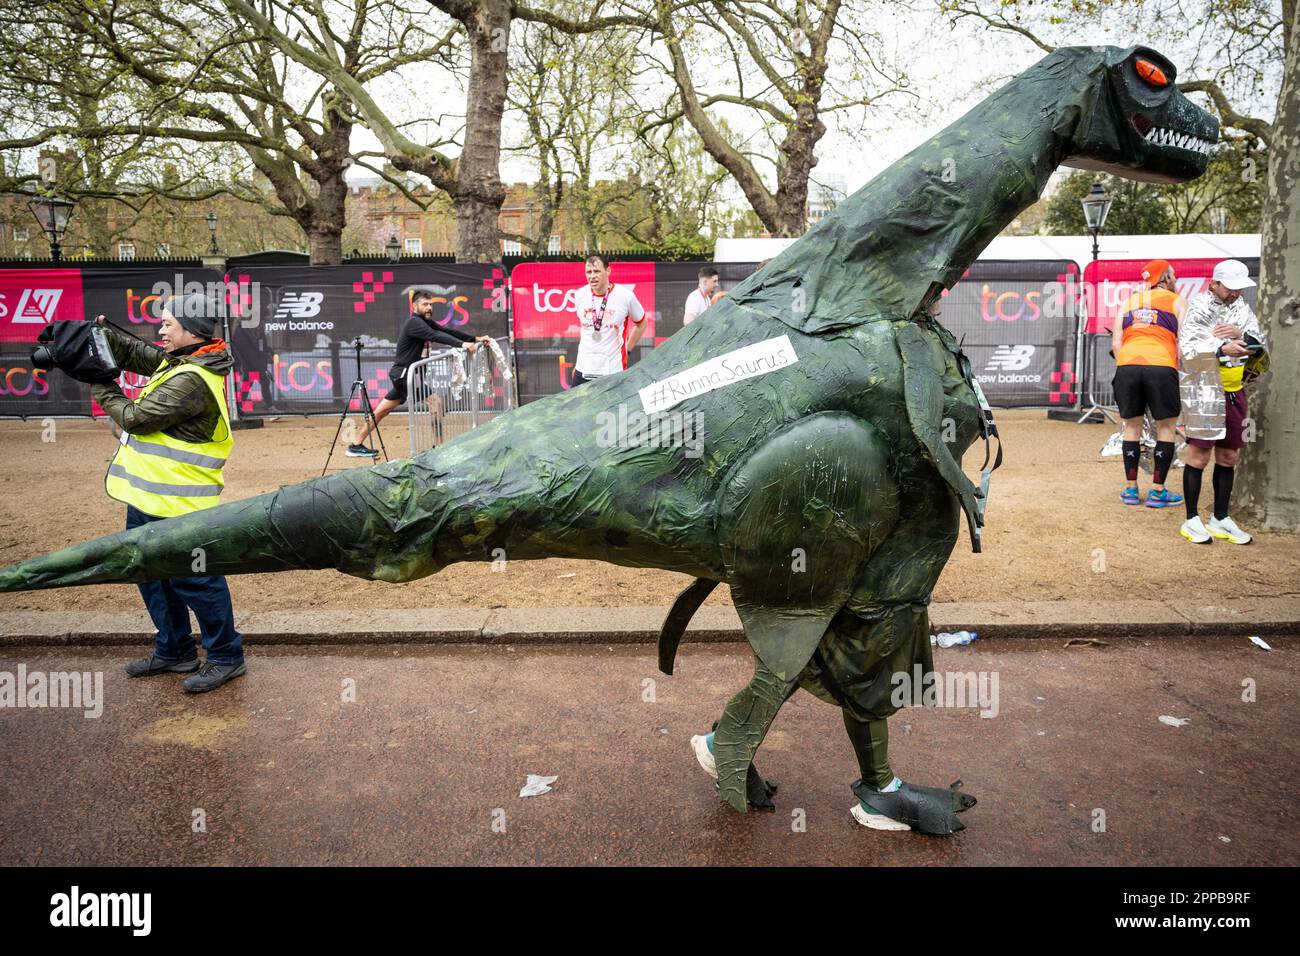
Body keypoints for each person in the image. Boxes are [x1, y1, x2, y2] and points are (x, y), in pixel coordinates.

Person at [92, 294, 246, 693]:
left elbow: (135, 418)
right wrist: (98, 335)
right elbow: (137, 352)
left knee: (197, 582)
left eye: (168, 324)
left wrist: (100, 381)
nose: (160, 330)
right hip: (146, 499)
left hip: (181, 505)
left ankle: (226, 656)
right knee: (151, 577)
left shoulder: (192, 379)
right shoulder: (180, 361)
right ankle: (175, 649)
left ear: (191, 331)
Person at [1178, 259, 1267, 544]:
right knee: (1199, 456)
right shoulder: (1199, 307)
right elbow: (1187, 347)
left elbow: (1258, 341)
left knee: (1229, 456)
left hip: (1234, 389)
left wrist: (1242, 336)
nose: (1236, 293)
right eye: (1231, 288)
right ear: (1213, 283)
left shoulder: (1242, 307)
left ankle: (1220, 518)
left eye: (1240, 288)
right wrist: (1220, 347)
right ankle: (1192, 519)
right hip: (1203, 391)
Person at [349, 289, 490, 456]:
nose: (429, 307)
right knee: (436, 402)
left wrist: (474, 339)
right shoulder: (414, 323)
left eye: (430, 304)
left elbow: (447, 332)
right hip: (404, 376)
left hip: (403, 376)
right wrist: (462, 345)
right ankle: (439, 447)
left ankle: (355, 445)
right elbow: (435, 335)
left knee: (381, 412)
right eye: (425, 304)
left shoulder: (425, 322)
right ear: (414, 306)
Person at [1110, 259, 1185, 508]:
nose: (1175, 279)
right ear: (1165, 279)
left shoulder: (1129, 302)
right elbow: (1184, 343)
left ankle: (1131, 490)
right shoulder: (1177, 301)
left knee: (1131, 426)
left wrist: (1126, 365)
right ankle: (1158, 491)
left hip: (1128, 365)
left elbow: (1115, 344)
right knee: (1166, 428)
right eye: (1173, 275)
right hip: (1162, 365)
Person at [571, 254, 647, 387]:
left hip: (613, 370)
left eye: (597, 271)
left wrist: (628, 349)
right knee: (579, 408)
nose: (592, 276)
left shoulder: (625, 296)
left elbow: (642, 323)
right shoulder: (579, 295)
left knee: (617, 408)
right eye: (589, 272)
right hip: (584, 369)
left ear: (608, 271)